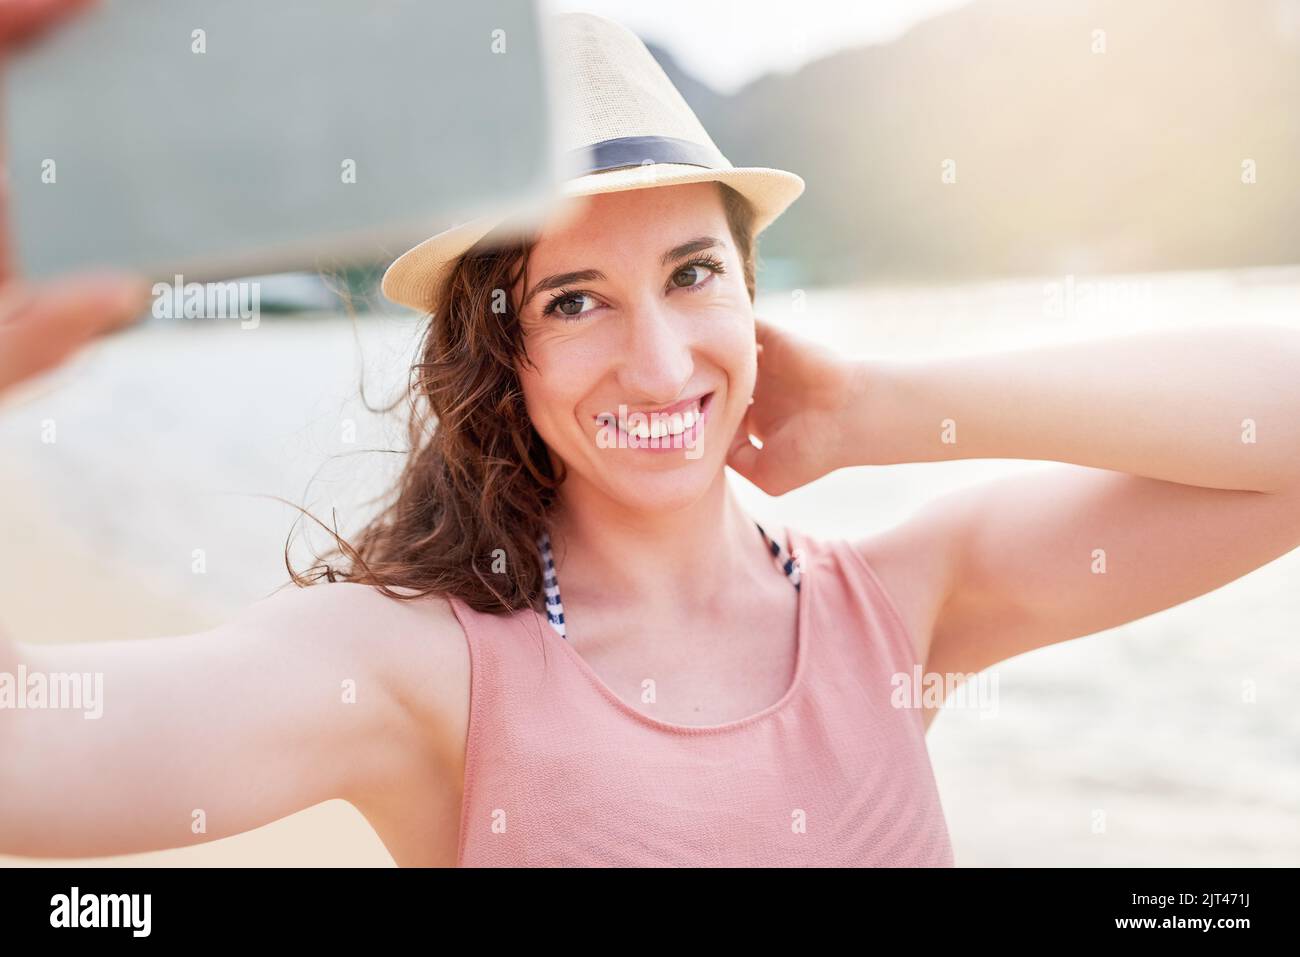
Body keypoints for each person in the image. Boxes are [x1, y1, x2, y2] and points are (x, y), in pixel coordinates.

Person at [4, 8, 1299, 867]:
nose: (663, 360)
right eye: (578, 301)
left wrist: (888, 407)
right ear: (499, 350)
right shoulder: (419, 668)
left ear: (750, 295)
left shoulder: (899, 606)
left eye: (693, 275)